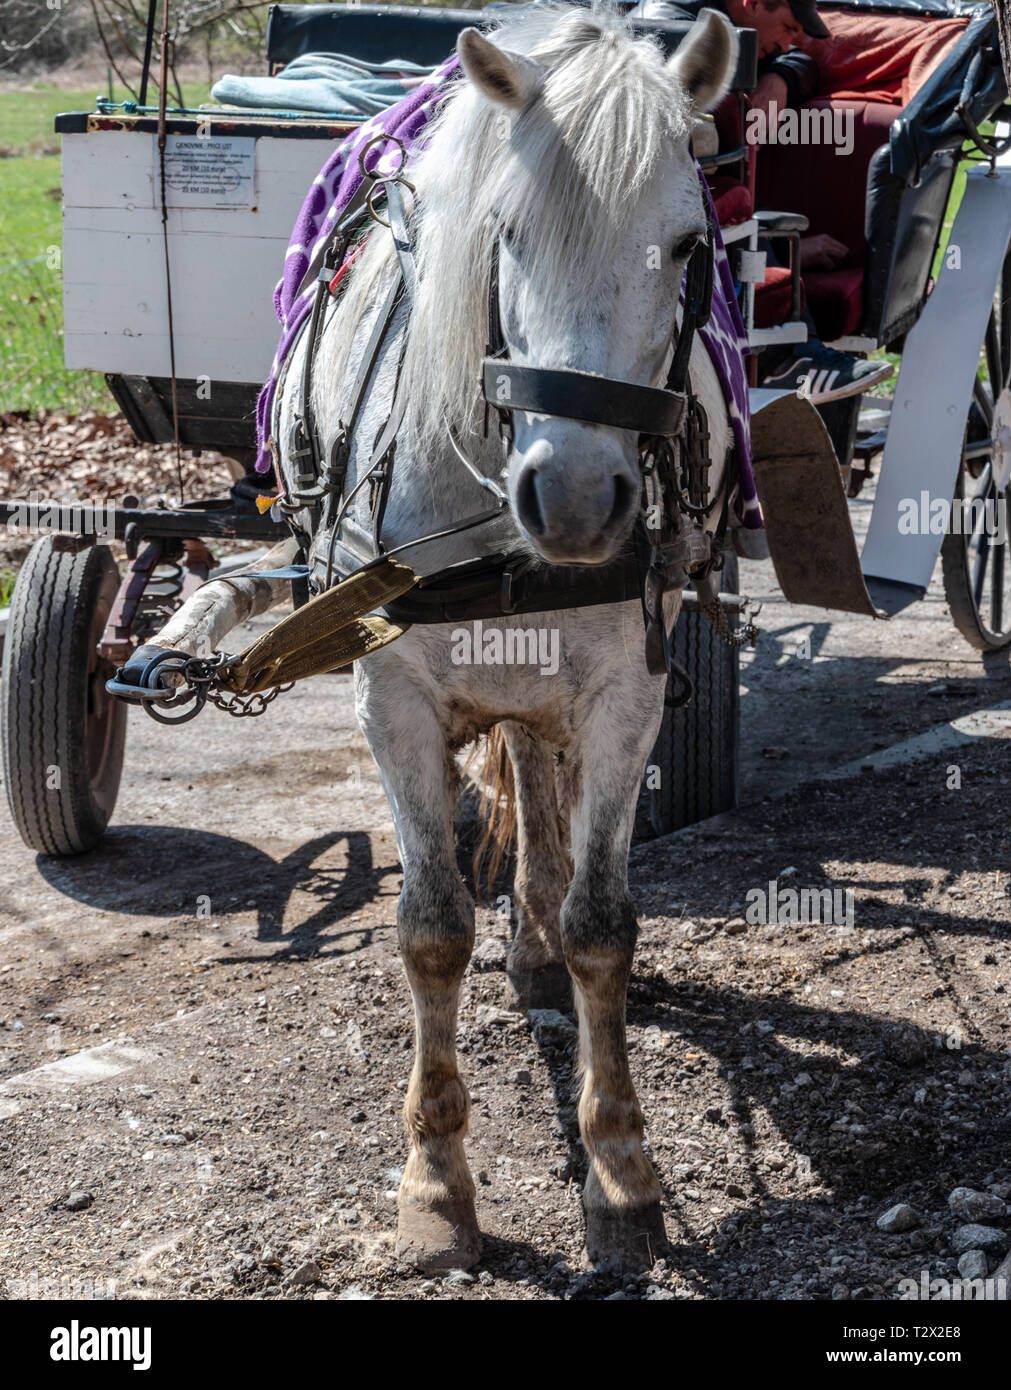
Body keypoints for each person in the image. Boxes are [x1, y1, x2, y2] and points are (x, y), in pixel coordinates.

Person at [630, 0, 894, 401]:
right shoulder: (670, 31)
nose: (792, 39)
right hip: (661, 198)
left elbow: (805, 61)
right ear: (751, 4)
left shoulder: (725, 31)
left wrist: (781, 76)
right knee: (727, 193)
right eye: (788, 26)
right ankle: (787, 357)